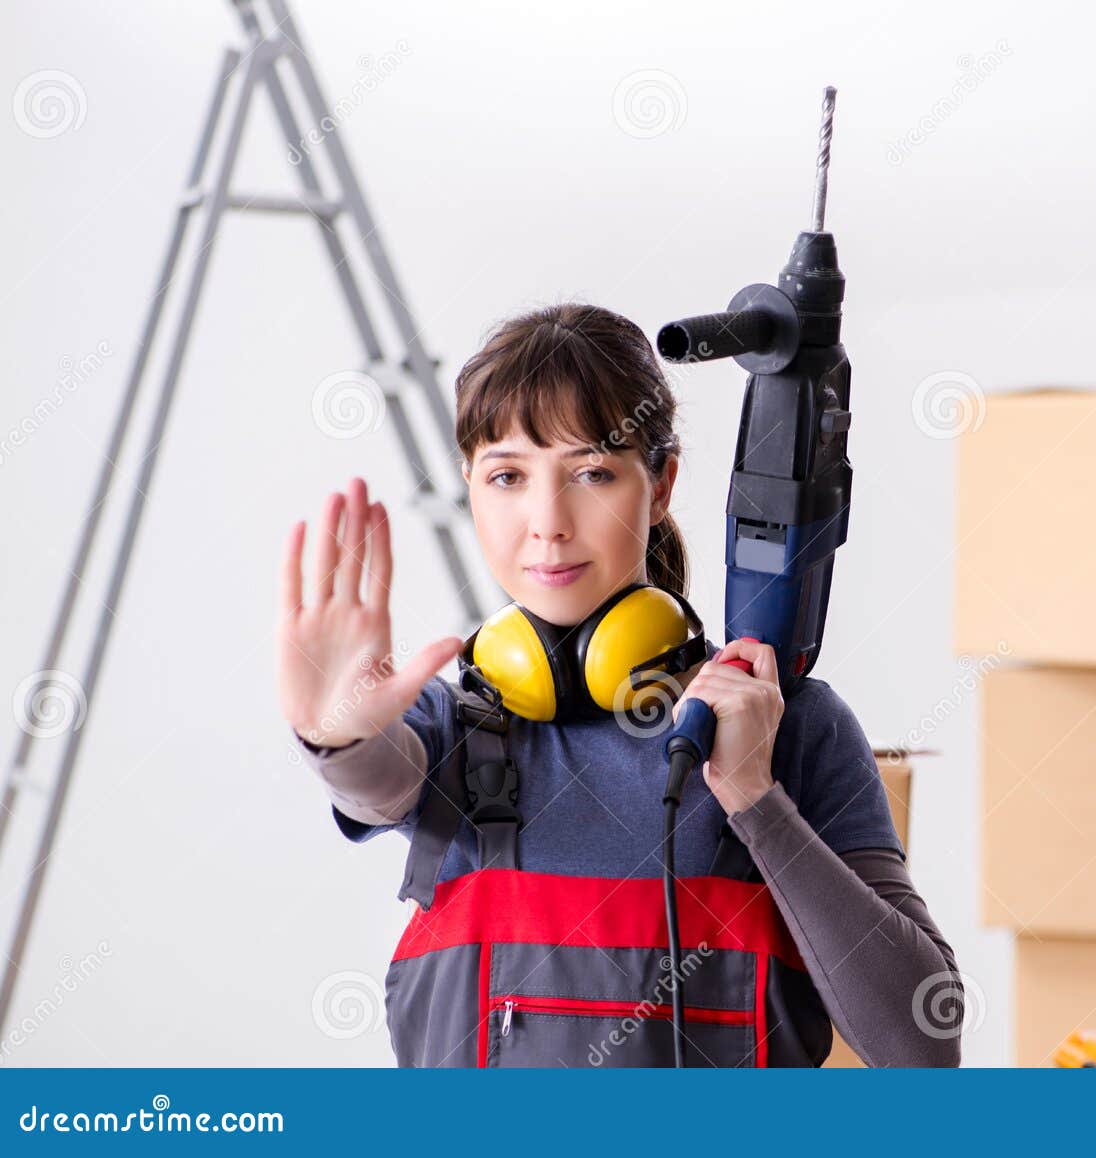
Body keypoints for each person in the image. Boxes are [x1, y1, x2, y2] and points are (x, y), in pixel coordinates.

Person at [277, 303, 961, 1067]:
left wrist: (757, 804)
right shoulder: (452, 727)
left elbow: (921, 1042)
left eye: (592, 472)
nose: (548, 522)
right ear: (470, 486)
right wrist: (333, 736)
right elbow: (378, 783)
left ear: (661, 484)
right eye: (507, 476)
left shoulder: (784, 725)